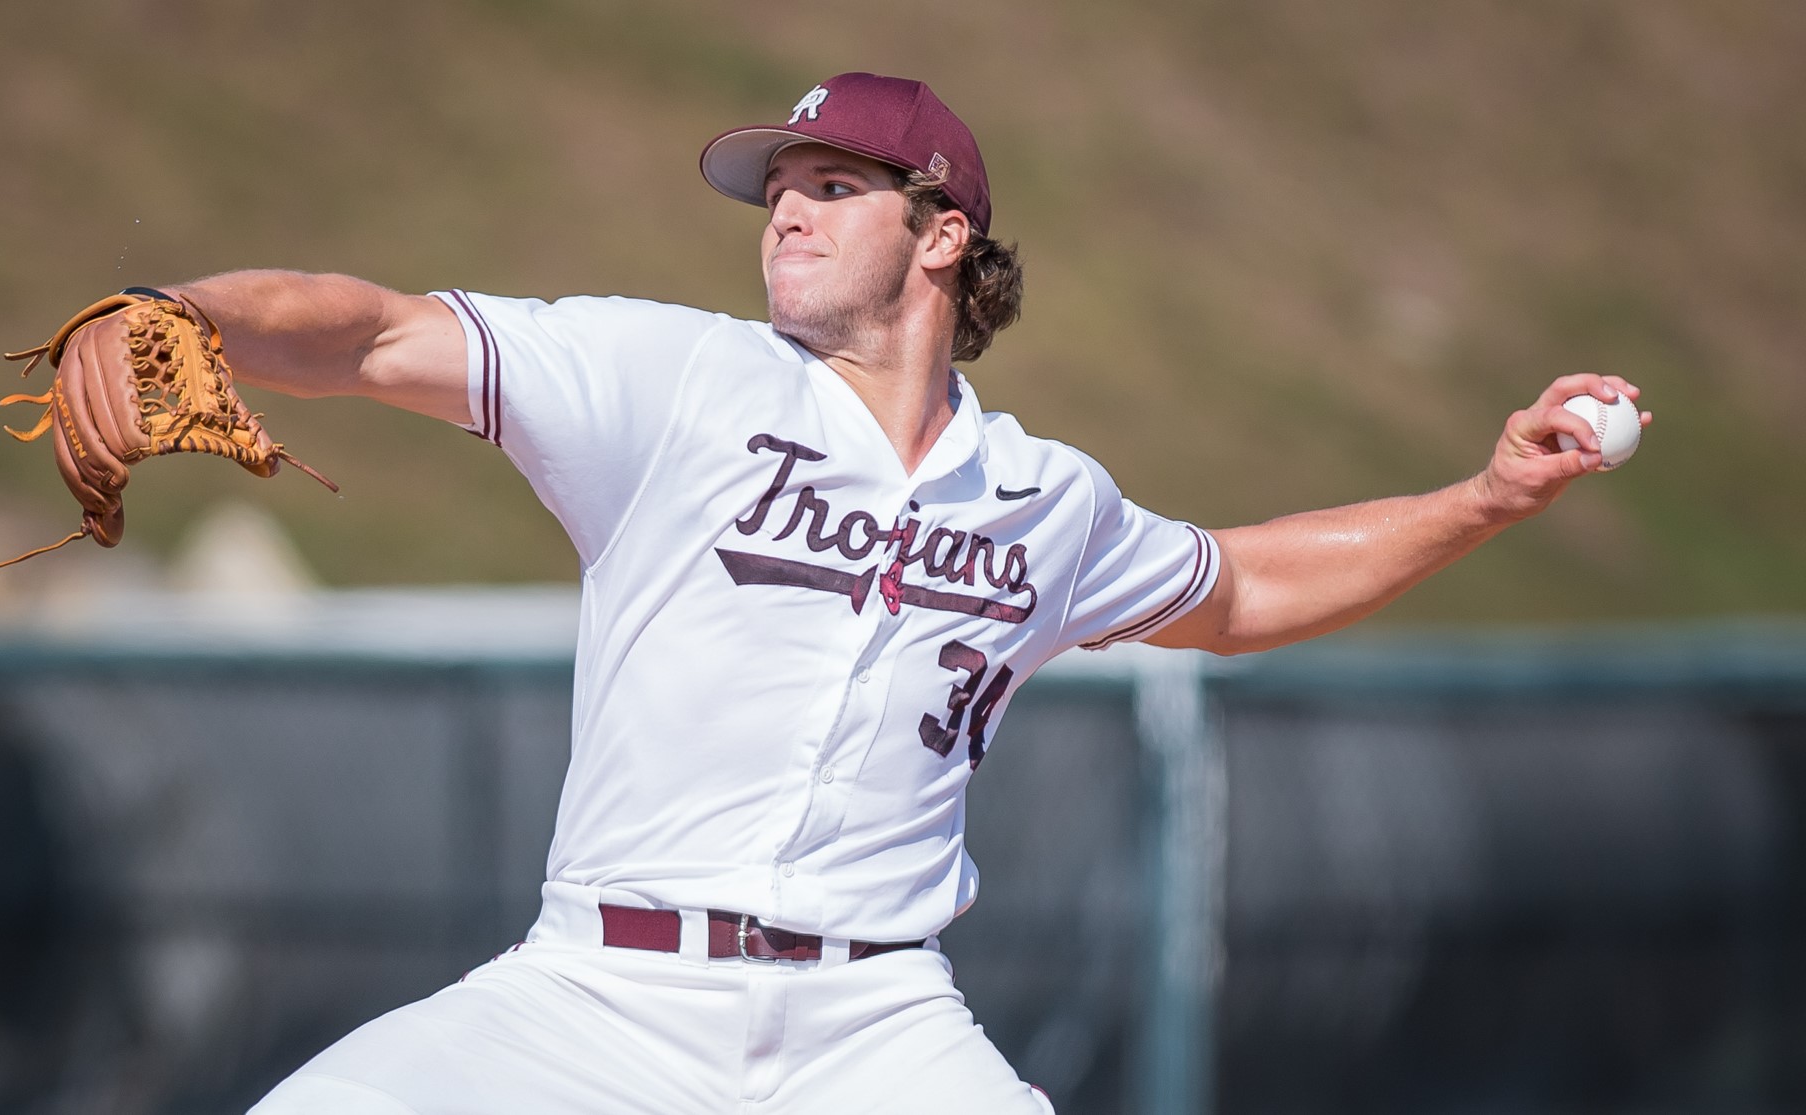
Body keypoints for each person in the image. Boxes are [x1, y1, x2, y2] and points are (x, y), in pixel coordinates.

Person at [138, 73, 1644, 1114]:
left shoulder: (1045, 500)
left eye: (832, 185)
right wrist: (177, 320)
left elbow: (1241, 586)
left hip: (876, 1027)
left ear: (942, 236)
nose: (784, 212)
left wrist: (1484, 498)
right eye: (775, 190)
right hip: (603, 994)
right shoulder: (671, 381)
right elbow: (378, 333)